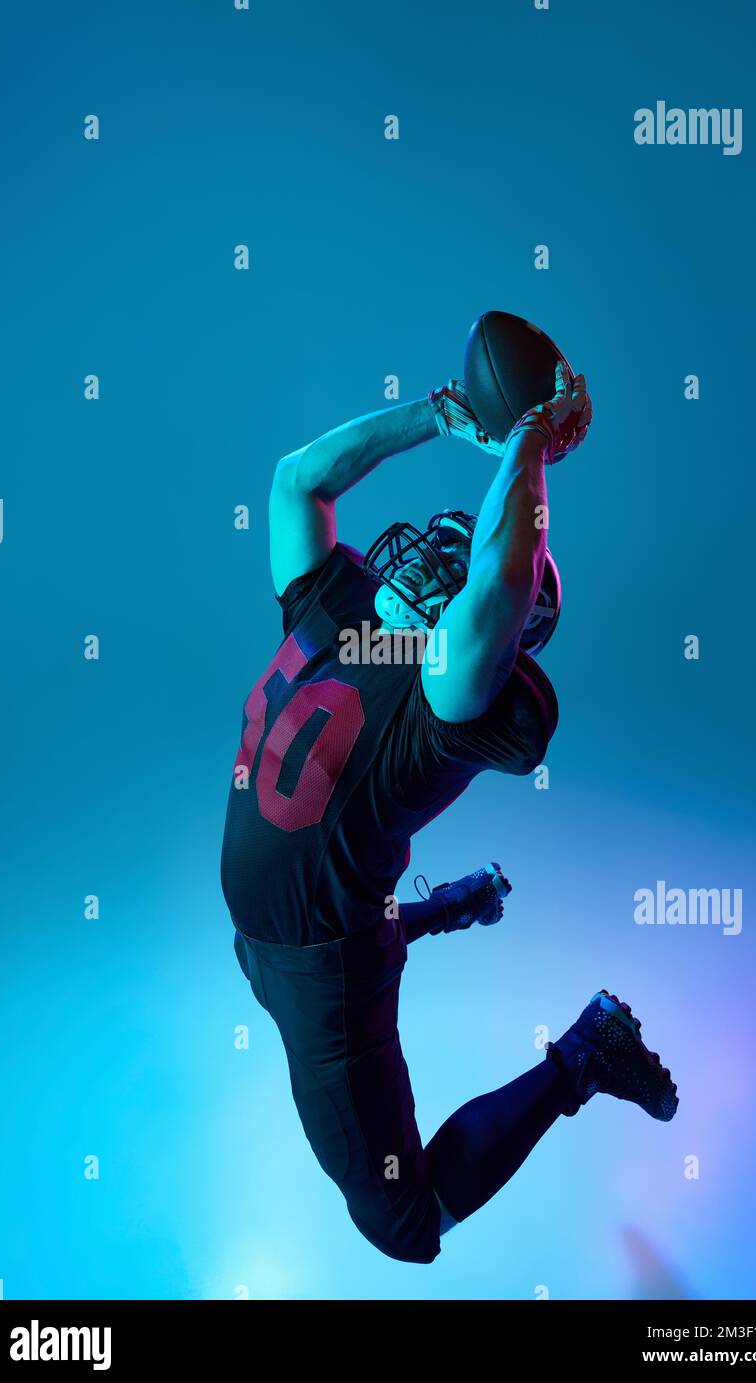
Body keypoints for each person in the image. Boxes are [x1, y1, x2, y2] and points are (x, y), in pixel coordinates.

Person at [220, 364, 678, 1264]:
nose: (438, 551)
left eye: (463, 557)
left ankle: (584, 1053)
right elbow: (296, 480)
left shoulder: (444, 702)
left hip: (323, 971)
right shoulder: (346, 603)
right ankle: (449, 906)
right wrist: (436, 415)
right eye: (446, 540)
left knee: (405, 1224)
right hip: (273, 942)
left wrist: (528, 441)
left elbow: (499, 591)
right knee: (314, 919)